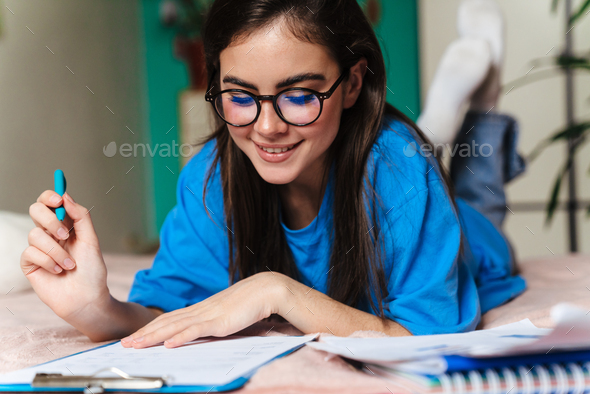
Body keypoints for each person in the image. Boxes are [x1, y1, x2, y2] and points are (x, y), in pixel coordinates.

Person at [21, 0, 525, 348]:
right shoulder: (210, 180)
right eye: (240, 96)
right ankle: (441, 115)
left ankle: (482, 99)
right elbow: (167, 314)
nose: (266, 128)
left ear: (352, 84)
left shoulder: (401, 177)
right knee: (415, 155)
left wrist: (275, 290)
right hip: (389, 169)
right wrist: (95, 308)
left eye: (300, 95)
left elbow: (427, 342)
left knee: (475, 195)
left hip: (466, 238)